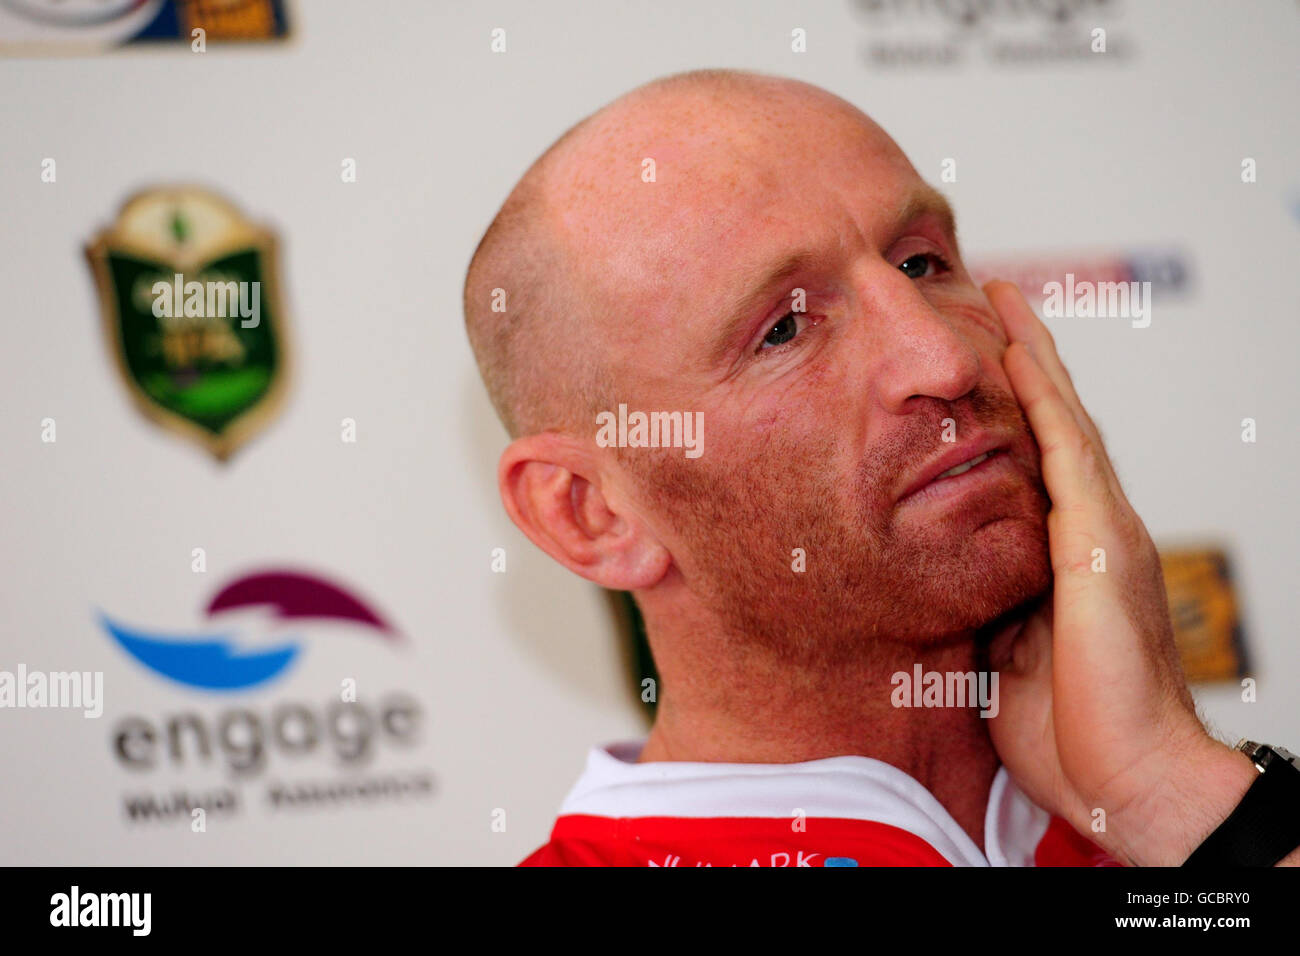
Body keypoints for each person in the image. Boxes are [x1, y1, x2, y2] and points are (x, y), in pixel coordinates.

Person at [463, 68, 1299, 867]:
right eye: (784, 331)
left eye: (921, 264)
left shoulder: (1163, 814)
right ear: (590, 512)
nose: (942, 360)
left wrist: (1167, 790)